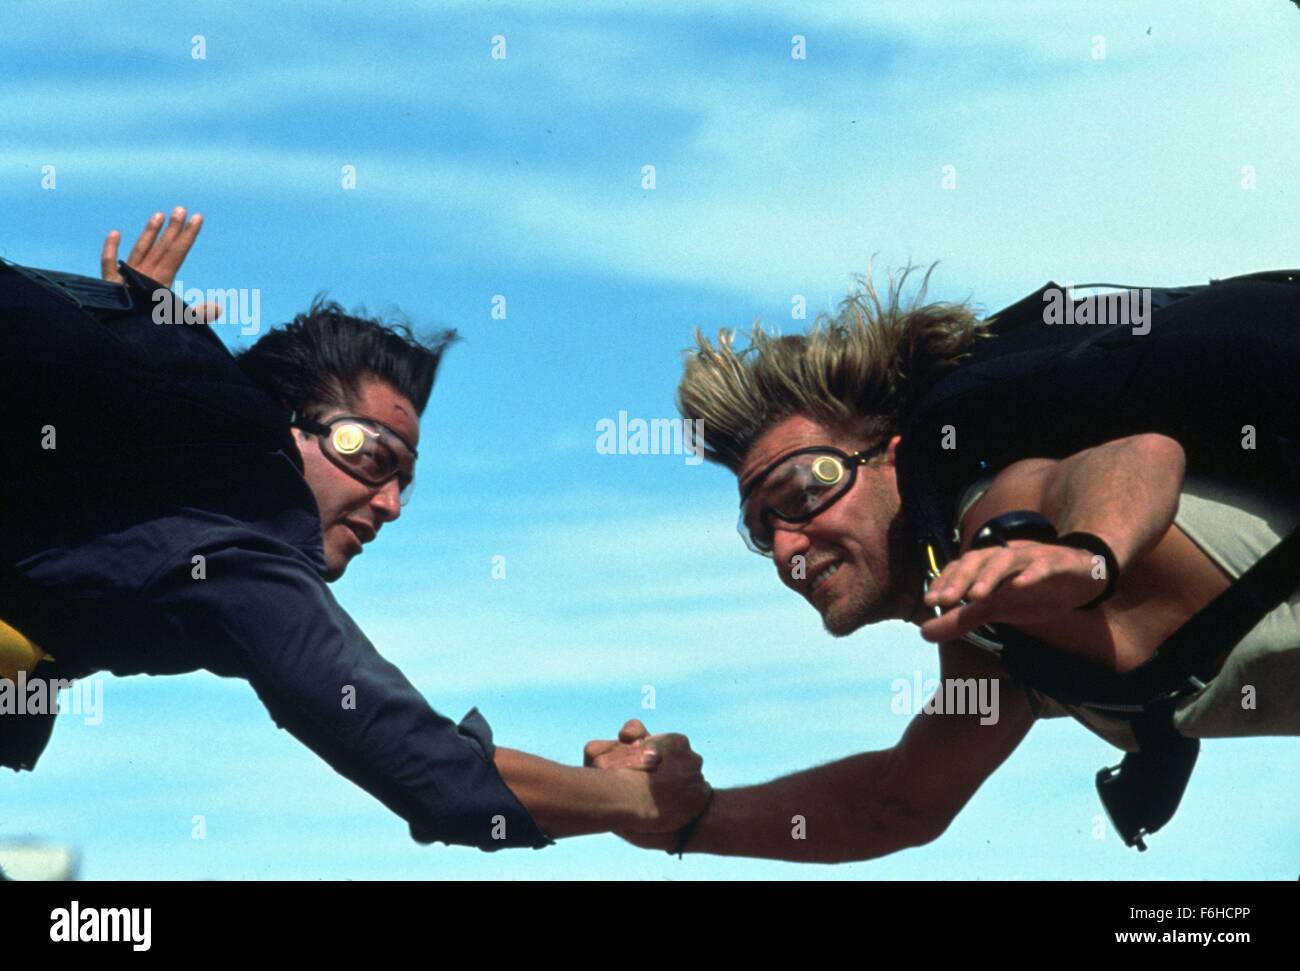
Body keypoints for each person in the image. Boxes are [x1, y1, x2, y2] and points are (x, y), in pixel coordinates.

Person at [0, 207, 708, 855]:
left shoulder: (142, 471)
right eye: (372, 458)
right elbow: (438, 780)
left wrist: (124, 349)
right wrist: (641, 796)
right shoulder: (239, 551)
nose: (391, 502)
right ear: (286, 423)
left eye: (406, 480)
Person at [587, 265, 1300, 861]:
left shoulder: (987, 517)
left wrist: (1082, 553)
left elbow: (1135, 456)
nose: (784, 545)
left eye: (805, 492)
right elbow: (891, 806)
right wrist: (682, 817)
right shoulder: (987, 639)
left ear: (897, 459)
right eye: (760, 525)